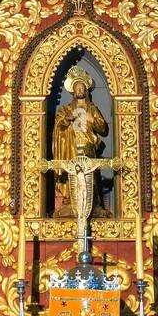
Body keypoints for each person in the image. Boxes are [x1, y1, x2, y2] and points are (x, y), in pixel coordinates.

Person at [52, 66, 109, 216]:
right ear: (72, 91)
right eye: (77, 88)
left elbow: (103, 127)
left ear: (86, 90)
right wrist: (68, 119)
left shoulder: (92, 108)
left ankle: (93, 205)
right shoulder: (67, 109)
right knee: (73, 178)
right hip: (71, 147)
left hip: (88, 146)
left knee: (91, 178)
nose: (79, 90)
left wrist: (91, 118)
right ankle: (71, 203)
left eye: (82, 87)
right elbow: (59, 124)